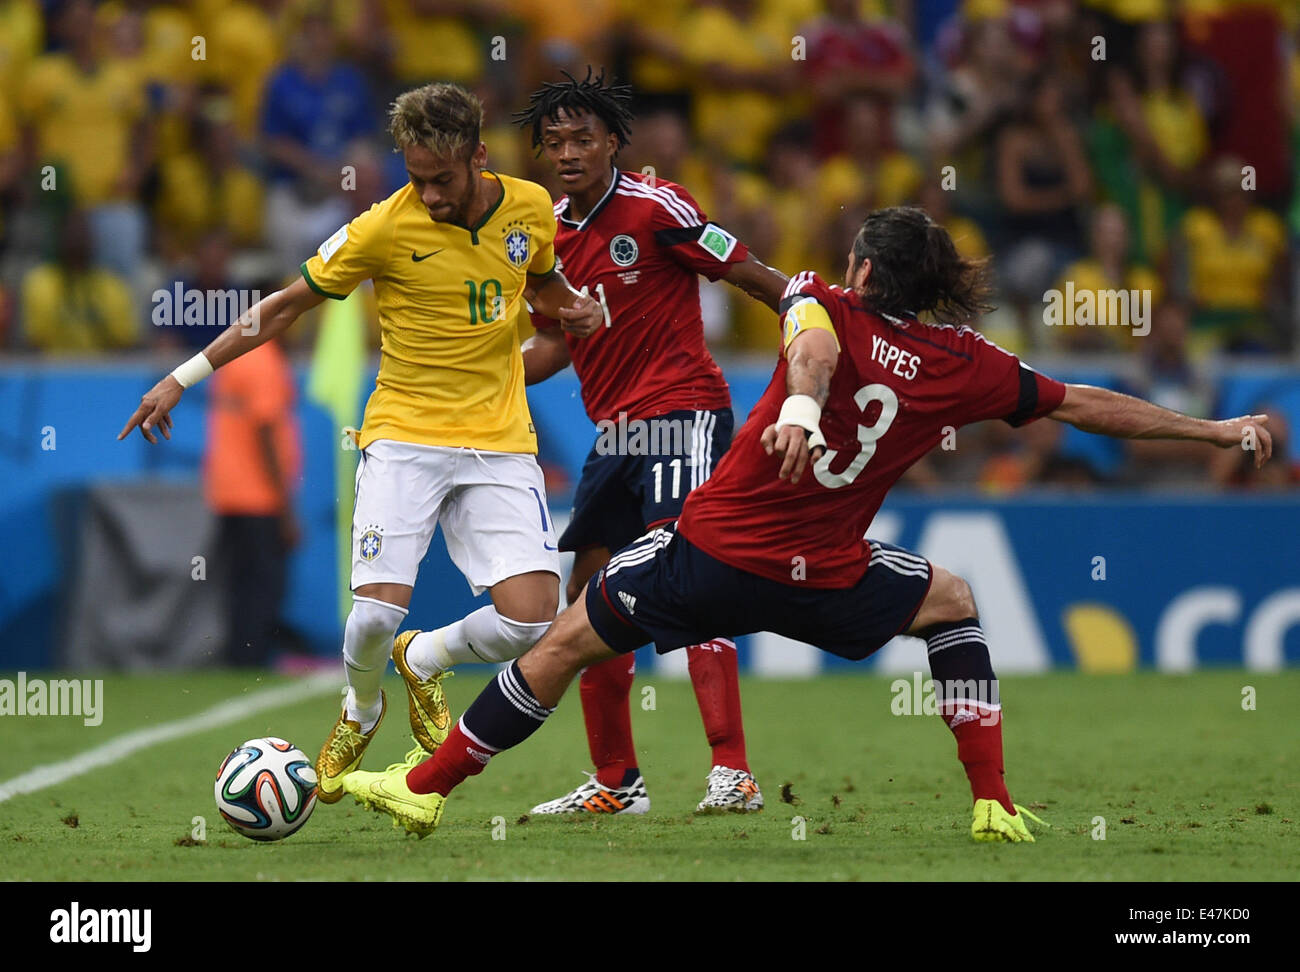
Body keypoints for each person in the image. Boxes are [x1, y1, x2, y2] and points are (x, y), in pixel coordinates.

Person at [341, 206, 1274, 842]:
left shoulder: (821, 299)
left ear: (866, 268)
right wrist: (1215, 429)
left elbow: (814, 346)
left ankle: (421, 794)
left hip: (709, 556)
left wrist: (796, 409)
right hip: (825, 579)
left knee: (566, 639)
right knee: (952, 600)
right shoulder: (965, 362)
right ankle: (992, 803)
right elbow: (1084, 406)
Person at [119, 82, 604, 804]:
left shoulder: (530, 207)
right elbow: (282, 306)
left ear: (477, 155)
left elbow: (541, 282)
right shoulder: (382, 228)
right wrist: (182, 376)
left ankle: (425, 657)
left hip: (500, 439)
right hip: (405, 436)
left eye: (442, 179)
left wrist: (573, 306)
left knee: (531, 621)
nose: (430, 195)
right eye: (416, 178)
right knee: (374, 613)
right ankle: (361, 708)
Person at [504, 69, 788, 814]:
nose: (567, 152)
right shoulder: (551, 236)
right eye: (554, 141)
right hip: (617, 433)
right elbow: (557, 345)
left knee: (688, 577)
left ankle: (733, 770)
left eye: (582, 138)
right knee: (590, 597)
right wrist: (486, 373)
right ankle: (616, 782)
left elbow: (751, 273)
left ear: (612, 143)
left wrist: (816, 316)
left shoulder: (656, 206)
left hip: (685, 414)